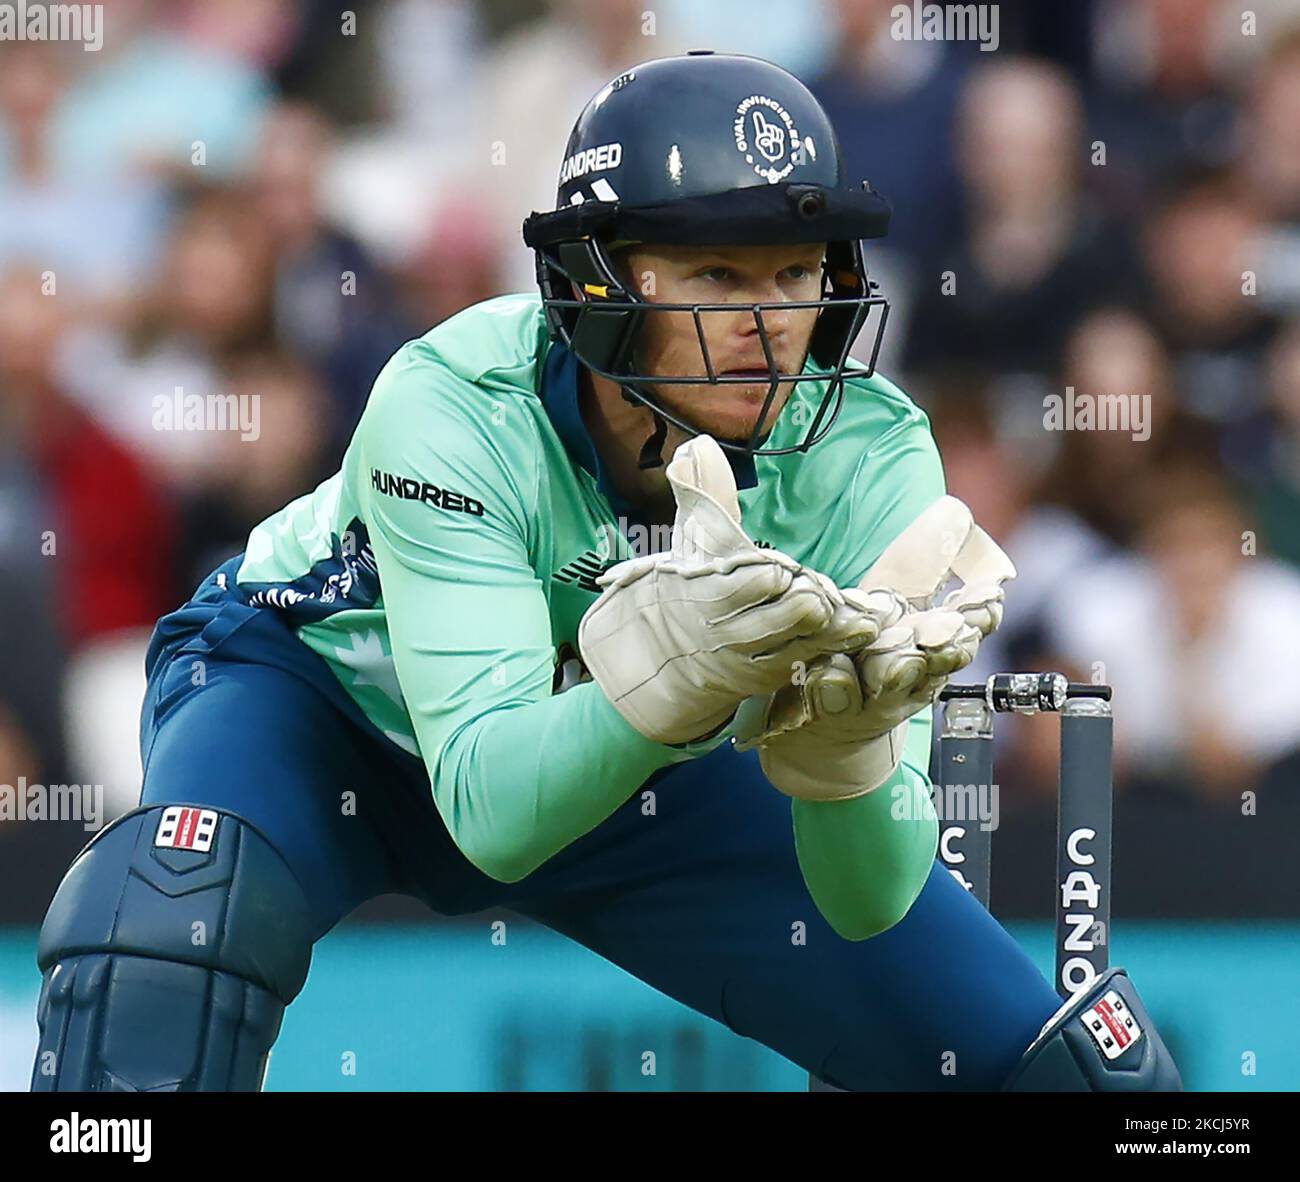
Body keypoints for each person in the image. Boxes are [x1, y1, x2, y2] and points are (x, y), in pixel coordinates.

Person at [30, 52, 1180, 1092]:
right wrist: (670, 677)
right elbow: (483, 805)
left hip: (645, 762)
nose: (769, 326)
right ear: (591, 282)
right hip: (324, 703)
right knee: (163, 932)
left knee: (1072, 1081)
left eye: (793, 275)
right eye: (718, 276)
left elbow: (867, 900)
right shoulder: (450, 397)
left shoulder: (873, 453)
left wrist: (844, 760)